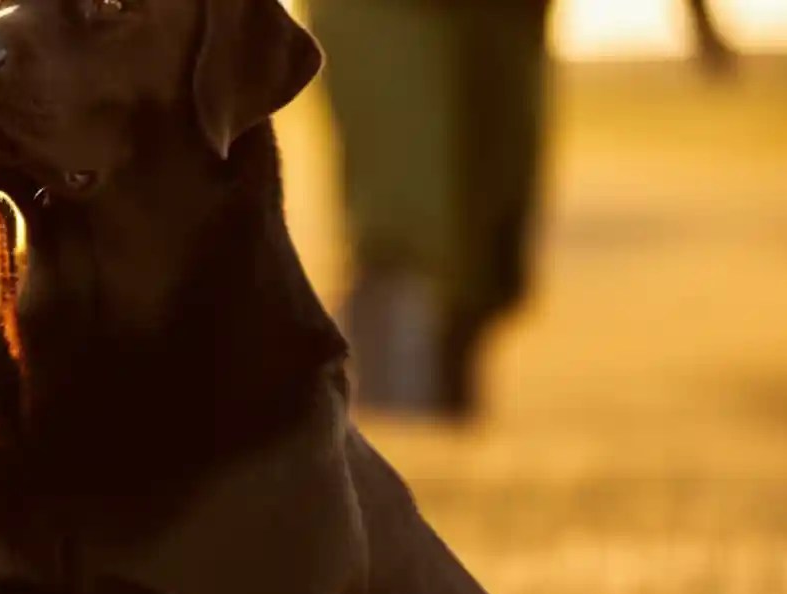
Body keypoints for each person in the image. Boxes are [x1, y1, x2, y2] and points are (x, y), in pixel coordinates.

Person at [309, 0, 735, 418]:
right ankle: (397, 440)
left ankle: (442, 429)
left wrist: (698, 16)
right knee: (404, 229)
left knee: (484, 252)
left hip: (510, 17)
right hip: (382, 12)